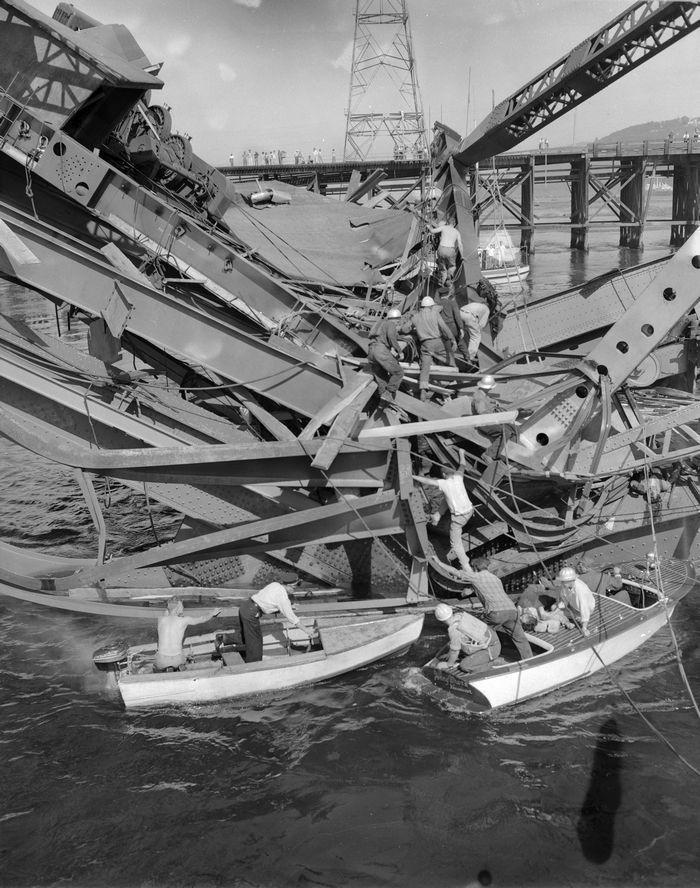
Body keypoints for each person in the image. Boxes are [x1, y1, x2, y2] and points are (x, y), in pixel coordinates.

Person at [458, 557, 534, 660]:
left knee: (477, 630)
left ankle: (470, 655)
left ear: (475, 568)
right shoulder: (495, 578)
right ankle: (530, 659)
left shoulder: (476, 577)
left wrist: (439, 563)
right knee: (520, 638)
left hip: (496, 613)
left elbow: (461, 583)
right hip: (512, 611)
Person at [414, 449, 473, 570]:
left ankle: (466, 565)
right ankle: (437, 516)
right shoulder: (459, 476)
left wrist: (412, 476)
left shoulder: (444, 483)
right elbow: (462, 464)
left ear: (444, 475)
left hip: (459, 518)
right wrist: (461, 453)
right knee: (447, 497)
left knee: (455, 543)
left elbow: (428, 481)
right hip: (470, 511)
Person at [238, 581, 312, 662]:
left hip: (246, 606)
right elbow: (292, 618)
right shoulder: (283, 597)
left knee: (247, 637)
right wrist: (306, 630)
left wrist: (288, 606)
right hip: (251, 613)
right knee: (255, 641)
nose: (295, 590)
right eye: (294, 587)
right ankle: (254, 664)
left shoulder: (275, 584)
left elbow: (268, 601)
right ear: (288, 585)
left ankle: (243, 654)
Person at [400, 295, 455, 400]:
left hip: (426, 345)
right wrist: (452, 340)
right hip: (439, 343)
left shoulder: (416, 317)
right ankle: (451, 380)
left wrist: (413, 329)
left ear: (422, 306)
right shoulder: (435, 314)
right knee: (451, 362)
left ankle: (423, 390)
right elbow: (444, 328)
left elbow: (404, 329)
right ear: (431, 306)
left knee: (425, 368)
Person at [155, 596, 221, 672]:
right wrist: (212, 613)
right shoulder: (184, 620)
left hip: (162, 660)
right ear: (177, 607)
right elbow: (202, 619)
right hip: (177, 659)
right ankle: (179, 666)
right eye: (182, 606)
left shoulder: (161, 619)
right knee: (181, 655)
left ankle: (165, 669)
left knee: (156, 665)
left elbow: (168, 613)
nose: (183, 608)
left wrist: (172, 610)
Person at [433, 602, 500, 672]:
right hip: (492, 638)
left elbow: (455, 651)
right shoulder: (459, 615)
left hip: (491, 649)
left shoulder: (453, 629)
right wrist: (448, 653)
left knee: (465, 666)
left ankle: (491, 664)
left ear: (440, 620)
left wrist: (448, 664)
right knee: (453, 643)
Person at [367, 307, 406, 405]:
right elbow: (391, 337)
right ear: (396, 318)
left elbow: (371, 335)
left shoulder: (379, 322)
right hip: (380, 351)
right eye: (398, 321)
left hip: (371, 350)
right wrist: (400, 351)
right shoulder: (391, 323)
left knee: (382, 376)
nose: (397, 324)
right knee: (398, 372)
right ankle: (389, 394)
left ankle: (383, 400)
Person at [556, 566, 595, 636]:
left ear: (571, 580)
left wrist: (584, 628)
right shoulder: (566, 585)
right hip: (573, 606)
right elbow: (563, 596)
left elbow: (584, 608)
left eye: (563, 581)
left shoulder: (580, 590)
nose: (561, 583)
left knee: (557, 614)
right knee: (555, 609)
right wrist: (559, 607)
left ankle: (574, 618)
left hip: (584, 610)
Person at [428, 215, 463, 287]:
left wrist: (428, 226)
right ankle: (449, 275)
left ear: (447, 223)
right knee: (452, 266)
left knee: (443, 268)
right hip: (450, 250)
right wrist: (462, 256)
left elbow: (432, 231)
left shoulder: (443, 227)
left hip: (441, 249)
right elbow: (460, 245)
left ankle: (442, 282)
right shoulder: (456, 232)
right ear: (454, 224)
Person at [438, 289, 470, 366]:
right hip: (453, 327)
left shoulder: (437, 305)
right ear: (447, 294)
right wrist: (461, 328)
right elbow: (457, 316)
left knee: (447, 345)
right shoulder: (452, 303)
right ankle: (468, 359)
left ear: (440, 295)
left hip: (444, 328)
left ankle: (451, 363)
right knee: (460, 342)